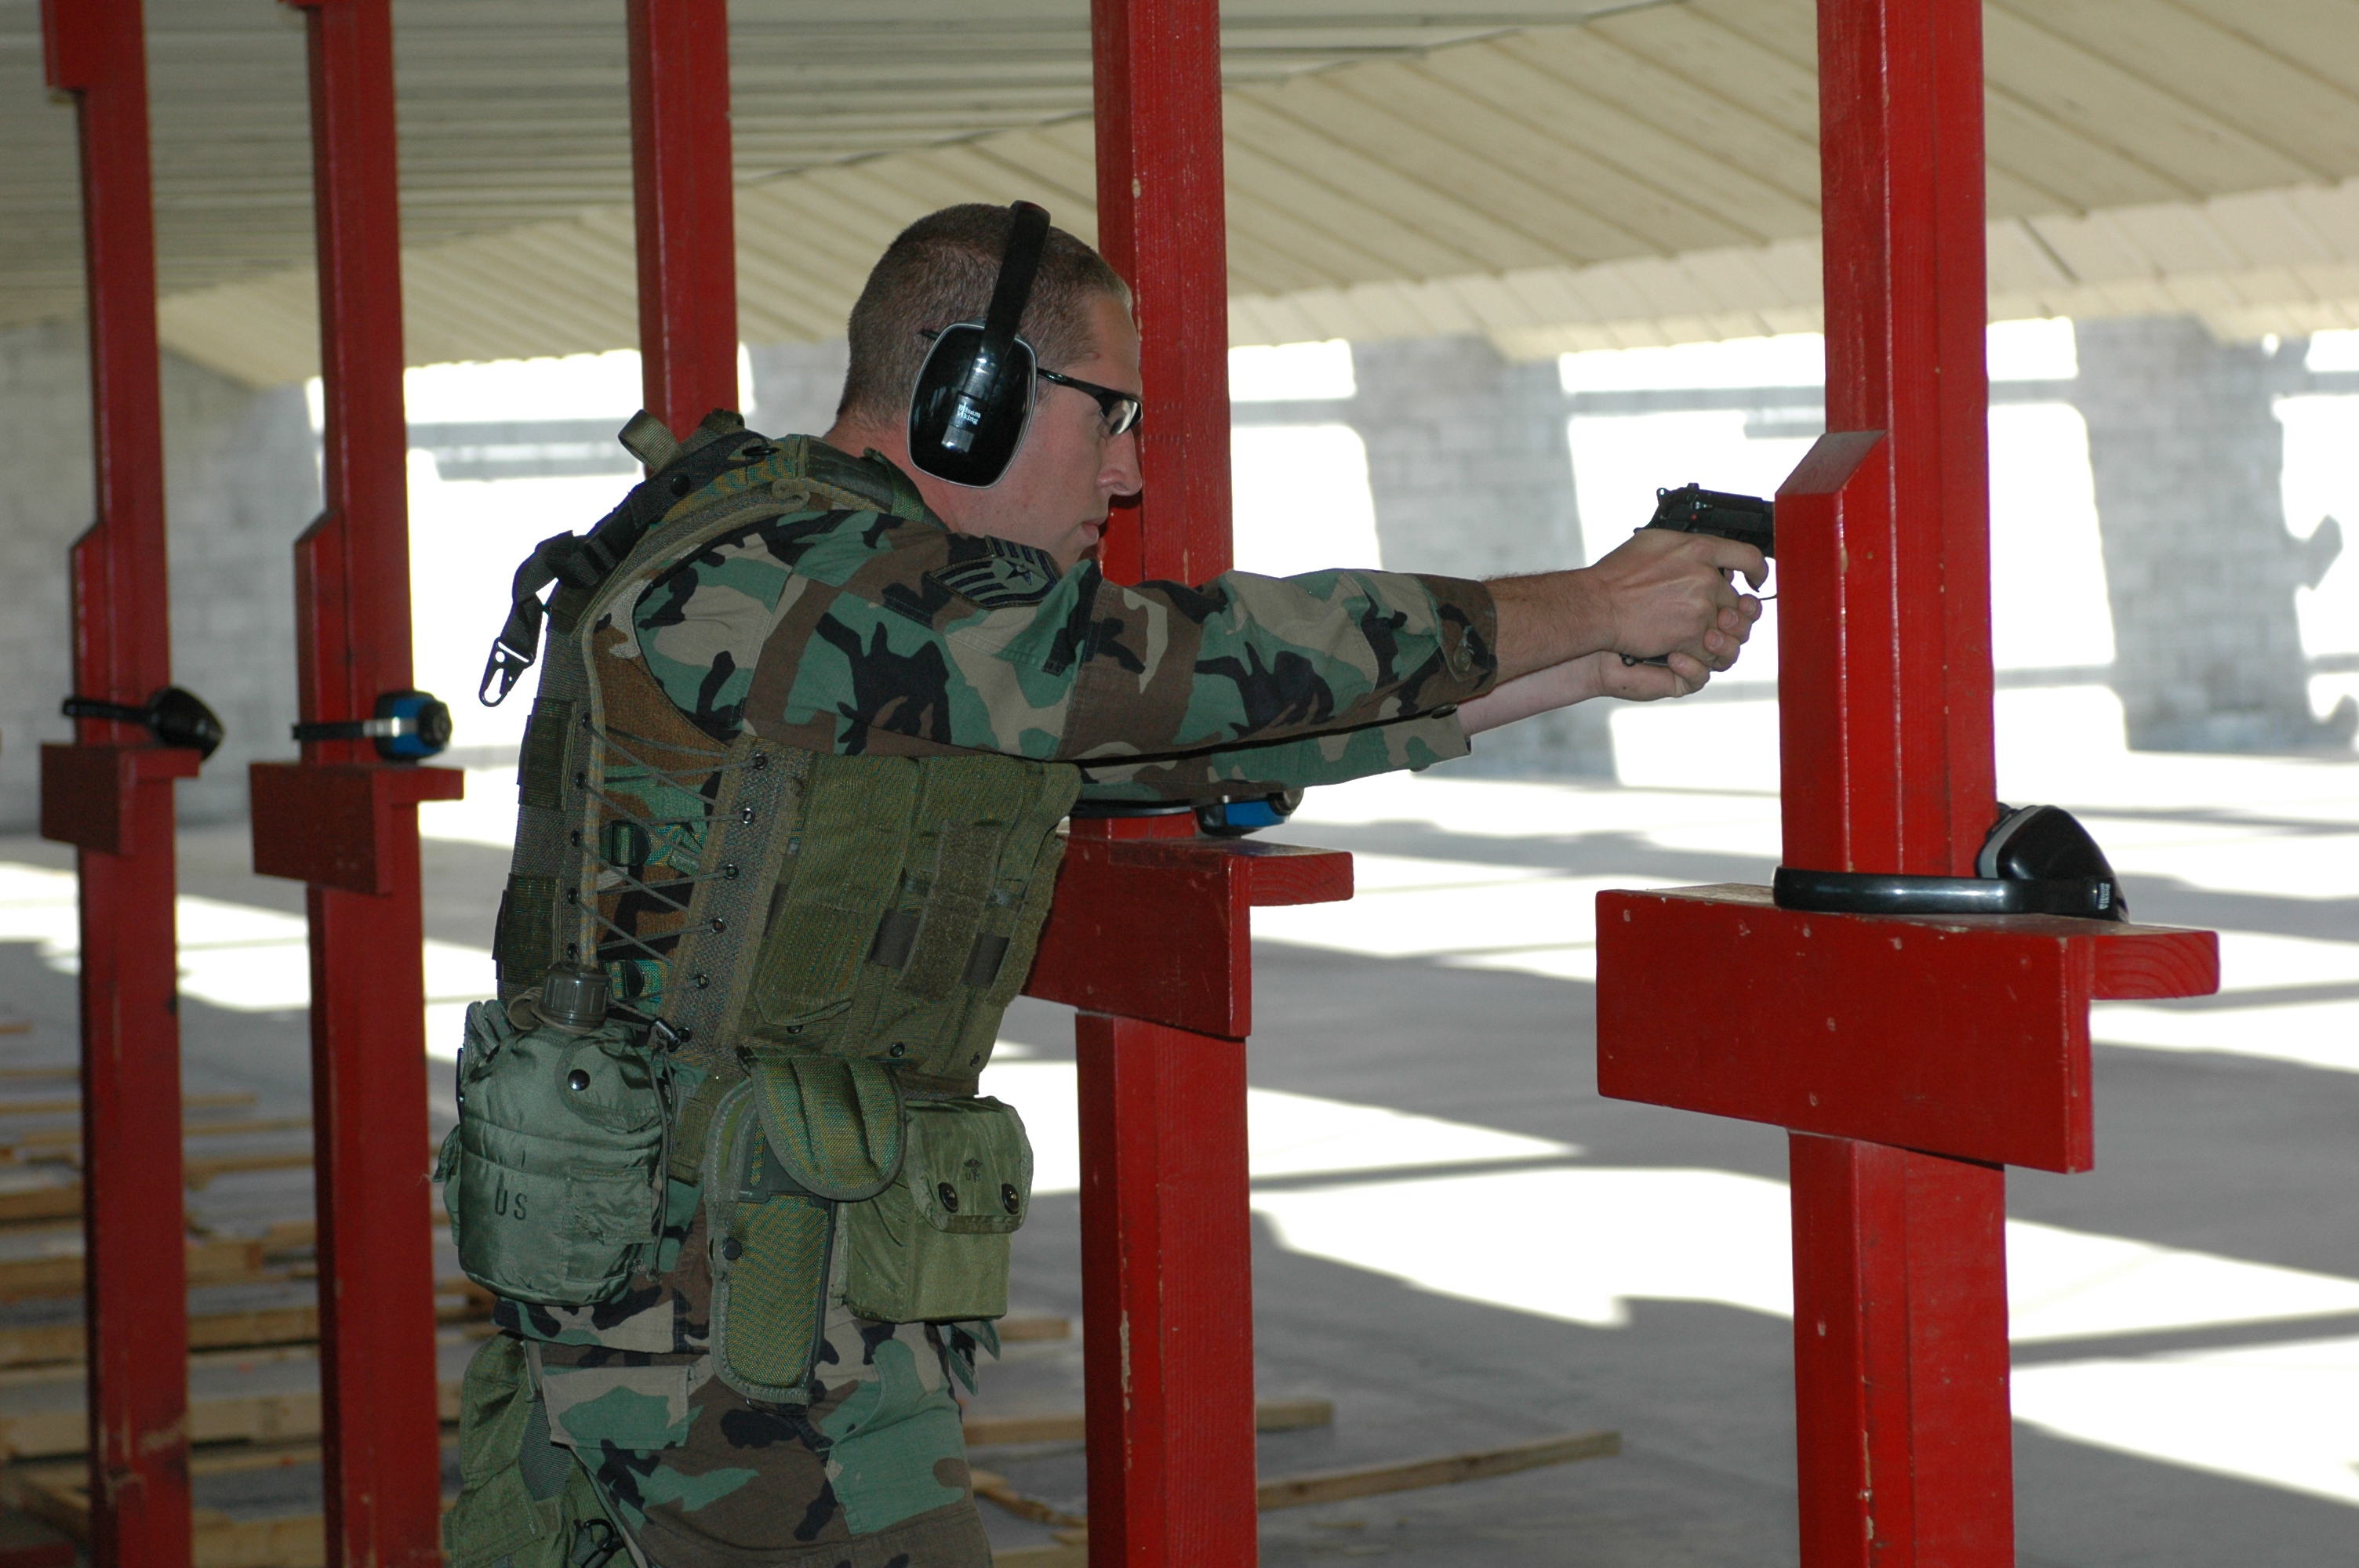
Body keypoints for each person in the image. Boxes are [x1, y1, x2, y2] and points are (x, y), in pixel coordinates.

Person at [442, 203, 1761, 1568]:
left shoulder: (898, 616)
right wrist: (1587, 602)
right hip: (709, 1313)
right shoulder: (778, 570)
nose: (1125, 474)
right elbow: (1159, 667)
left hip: (720, 1288)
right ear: (973, 396)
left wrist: (1571, 671)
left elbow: (1169, 738)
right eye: (1107, 414)